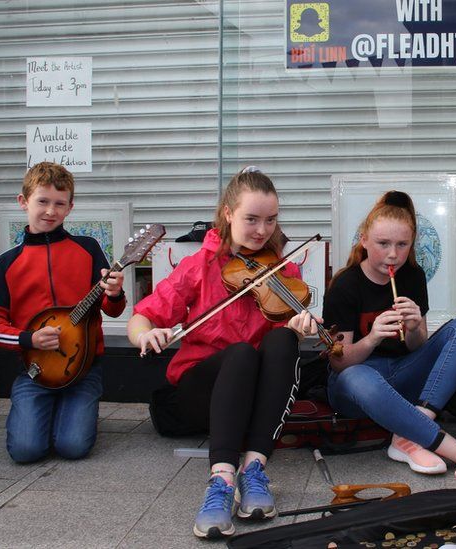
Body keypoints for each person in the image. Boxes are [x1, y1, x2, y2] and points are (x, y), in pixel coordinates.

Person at [127, 166, 319, 539]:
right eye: (251, 219)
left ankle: (254, 469)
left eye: (270, 220)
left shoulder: (282, 269)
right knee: (242, 353)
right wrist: (145, 336)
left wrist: (299, 325)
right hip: (198, 393)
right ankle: (220, 481)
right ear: (228, 214)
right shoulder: (198, 266)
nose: (262, 231)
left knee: (283, 342)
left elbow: (281, 348)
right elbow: (142, 316)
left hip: (252, 401)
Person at [323, 191, 456, 478]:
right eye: (383, 244)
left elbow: (417, 347)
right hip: (357, 387)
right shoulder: (345, 284)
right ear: (364, 240)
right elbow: (339, 363)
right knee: (356, 375)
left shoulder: (412, 277)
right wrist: (373, 338)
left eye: (402, 245)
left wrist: (415, 327)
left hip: (402, 377)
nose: (393, 254)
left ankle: (410, 433)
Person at [0, 162, 126, 463]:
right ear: (23, 202)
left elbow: (111, 310)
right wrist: (28, 339)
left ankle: (72, 411)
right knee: (25, 451)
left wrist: (114, 293)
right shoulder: (8, 262)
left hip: (84, 368)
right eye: (42, 201)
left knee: (72, 447)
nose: (50, 211)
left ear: (70, 207)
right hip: (34, 370)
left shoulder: (87, 248)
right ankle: (42, 410)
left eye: (59, 204)